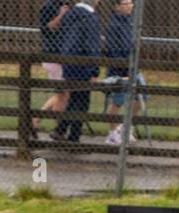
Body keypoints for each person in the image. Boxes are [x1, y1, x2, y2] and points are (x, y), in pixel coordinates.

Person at [52, 0, 99, 144]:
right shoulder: (90, 17)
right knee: (82, 101)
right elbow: (92, 44)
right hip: (83, 63)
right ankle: (70, 135)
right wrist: (94, 70)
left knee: (74, 98)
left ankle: (65, 132)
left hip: (68, 61)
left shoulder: (70, 14)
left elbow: (61, 36)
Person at [102, 0, 143, 145]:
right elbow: (112, 51)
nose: (129, 6)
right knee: (118, 101)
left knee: (142, 96)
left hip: (133, 68)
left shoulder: (130, 21)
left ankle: (125, 129)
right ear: (117, 6)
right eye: (125, 3)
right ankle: (112, 134)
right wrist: (123, 69)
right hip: (120, 70)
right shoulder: (114, 25)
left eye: (131, 3)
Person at [36, 1, 70, 132]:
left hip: (63, 55)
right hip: (52, 55)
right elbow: (49, 27)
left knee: (62, 93)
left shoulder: (64, 4)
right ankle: (58, 130)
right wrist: (61, 14)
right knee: (63, 94)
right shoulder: (48, 6)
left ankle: (35, 119)